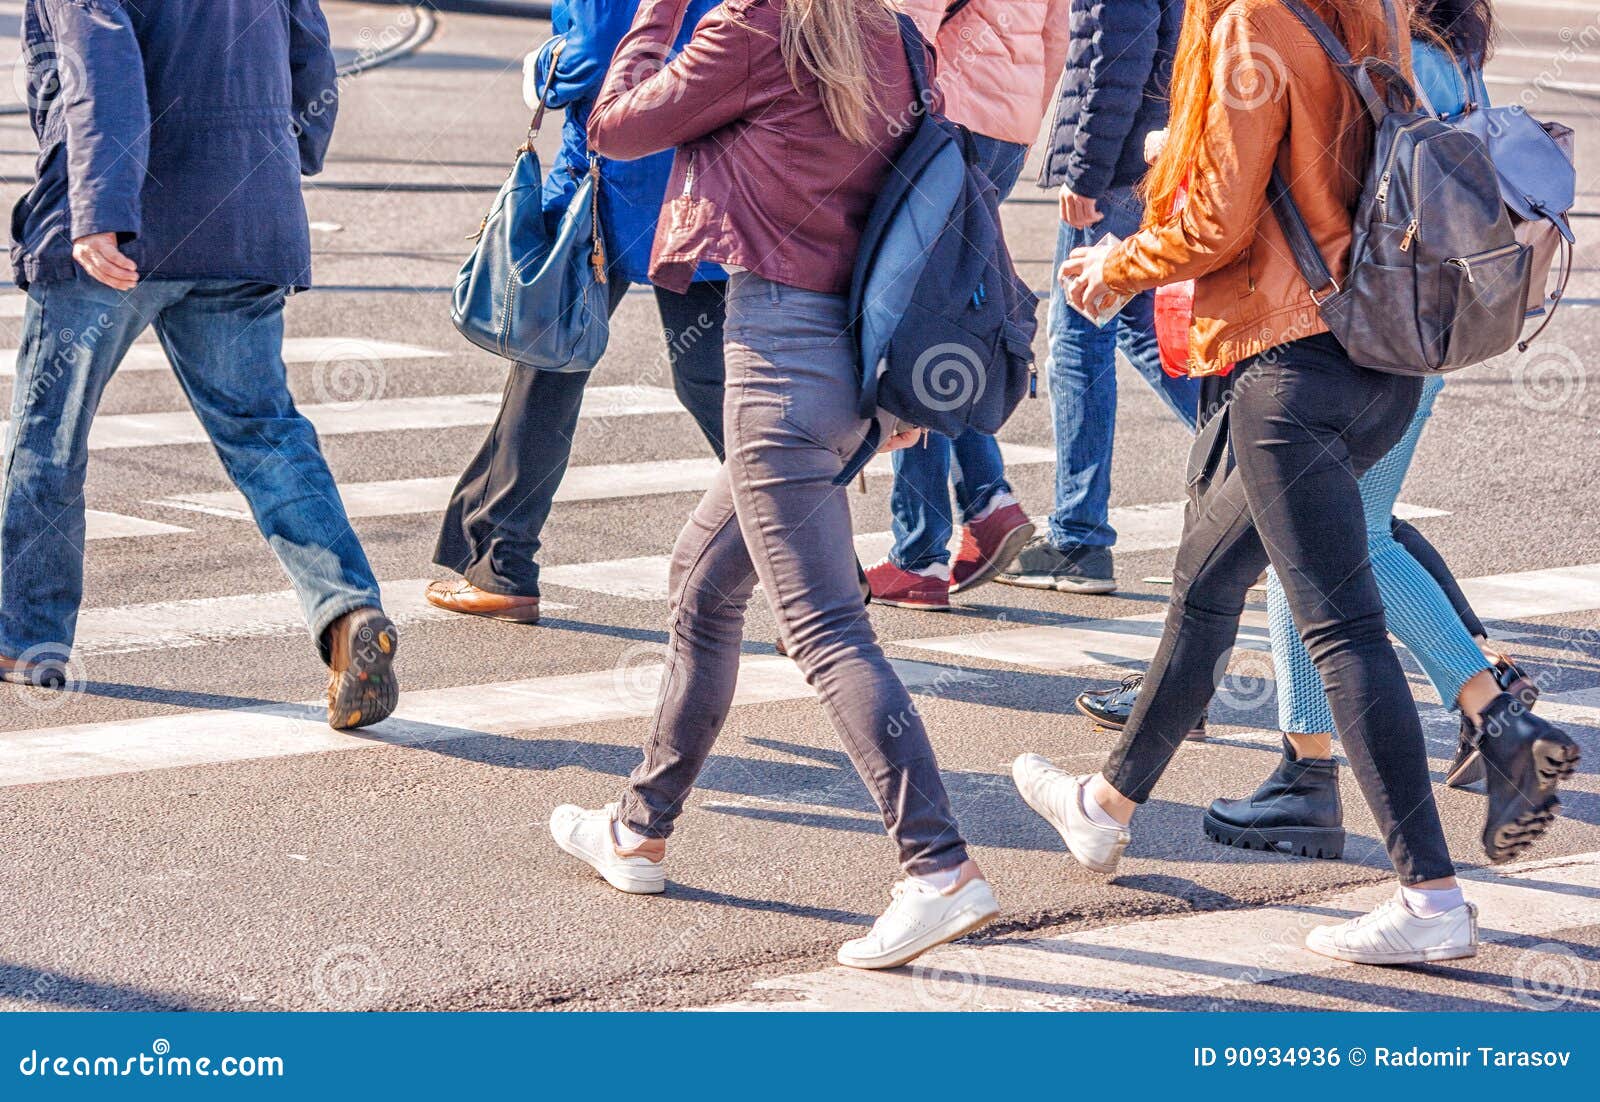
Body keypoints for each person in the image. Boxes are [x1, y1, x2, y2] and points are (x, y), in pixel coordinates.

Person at [1011, 0, 1577, 966]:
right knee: (1204, 590)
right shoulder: (1375, 12)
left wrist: (1116, 267)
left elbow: (1216, 221)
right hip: (1379, 358)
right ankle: (1104, 807)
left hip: (1291, 369)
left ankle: (1431, 898)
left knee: (1341, 626)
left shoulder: (1250, 26)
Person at [547, 0, 998, 971]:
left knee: (828, 629)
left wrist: (661, 9)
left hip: (778, 364)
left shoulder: (756, 27)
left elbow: (614, 124)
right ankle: (640, 828)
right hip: (855, 363)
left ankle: (938, 868)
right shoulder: (890, 36)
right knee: (702, 585)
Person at [2, 0, 398, 731]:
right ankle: (348, 612)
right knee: (263, 432)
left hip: (123, 227)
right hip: (246, 209)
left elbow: (102, 64)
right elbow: (310, 48)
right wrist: (284, 152)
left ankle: (28, 638)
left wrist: (98, 208)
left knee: (49, 434)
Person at [427, 0, 728, 625]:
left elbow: (589, 58)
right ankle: (823, 567)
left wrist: (539, 66)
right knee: (718, 381)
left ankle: (502, 562)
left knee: (550, 361)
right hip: (708, 173)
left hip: (610, 177)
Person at [863, 0, 1070, 611]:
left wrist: (889, 115)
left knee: (918, 327)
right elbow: (1056, 31)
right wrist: (1027, 116)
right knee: (946, 317)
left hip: (945, 112)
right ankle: (983, 502)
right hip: (1006, 121)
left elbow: (914, 20)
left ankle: (925, 551)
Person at [995, 0, 1201, 596]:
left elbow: (1115, 64)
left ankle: (1078, 538)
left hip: (1116, 166)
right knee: (1136, 324)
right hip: (1146, 154)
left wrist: (1083, 175)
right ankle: (1252, 459)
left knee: (1078, 339)